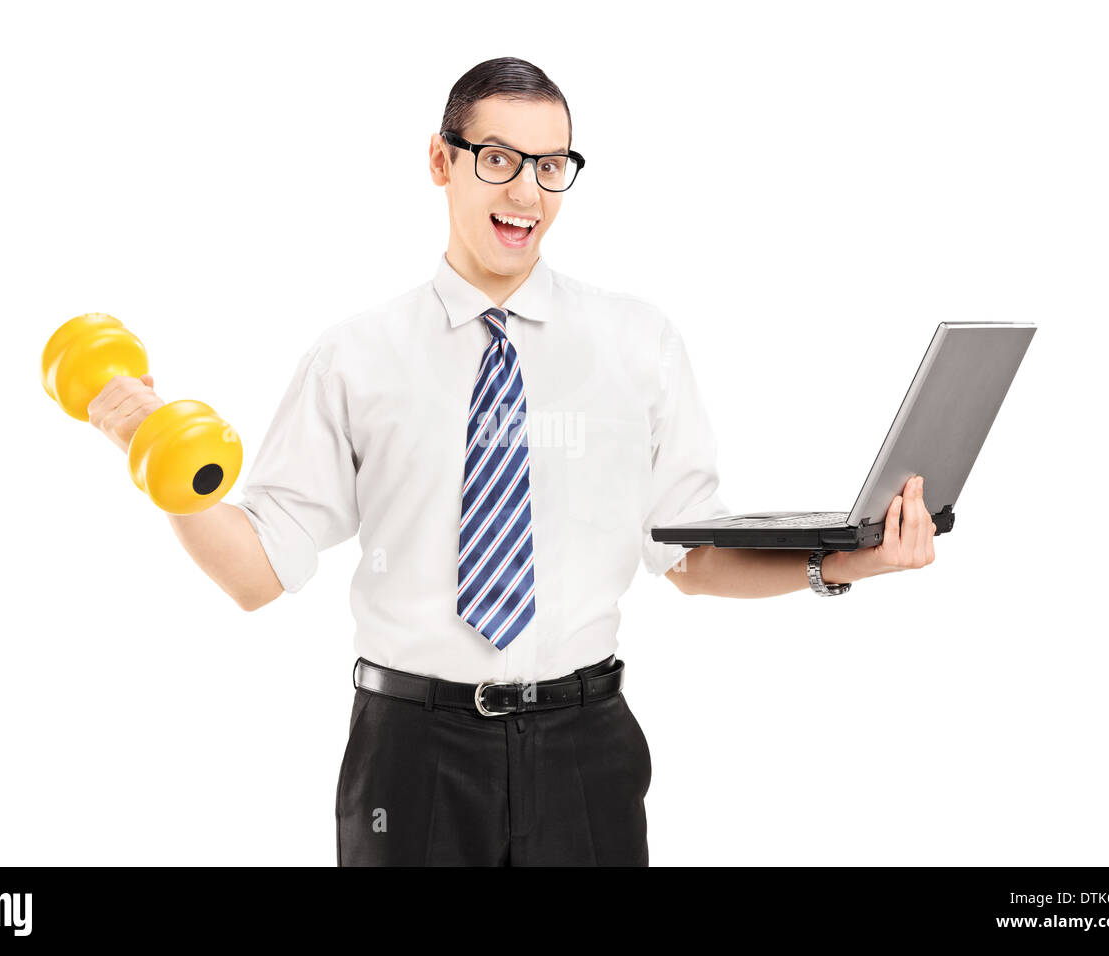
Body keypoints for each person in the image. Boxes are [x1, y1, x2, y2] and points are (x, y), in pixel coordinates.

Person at [86, 57, 936, 866]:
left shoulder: (640, 344)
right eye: (498, 158)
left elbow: (694, 559)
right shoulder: (355, 357)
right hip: (410, 756)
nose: (527, 191)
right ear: (439, 161)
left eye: (552, 163)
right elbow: (255, 574)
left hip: (585, 748)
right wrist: (157, 454)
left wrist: (851, 560)